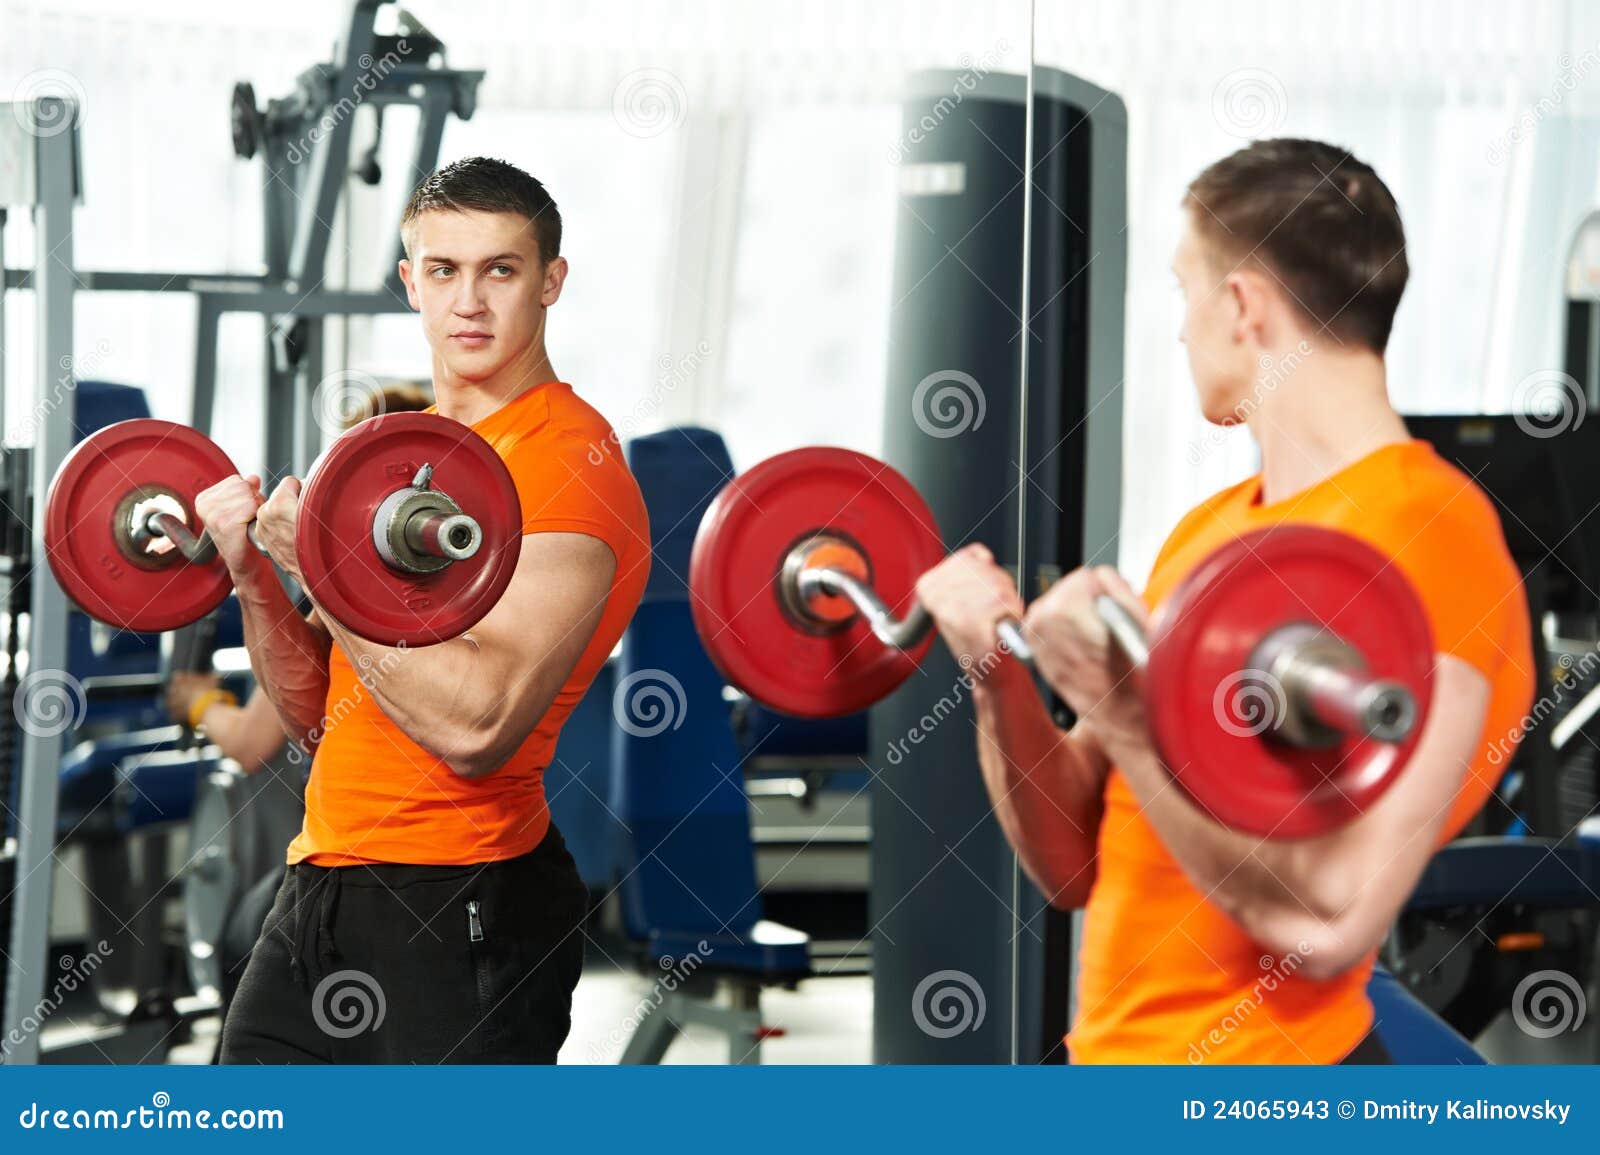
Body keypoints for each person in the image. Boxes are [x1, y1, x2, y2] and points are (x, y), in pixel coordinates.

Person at [915, 138, 1535, 1064]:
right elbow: (1072, 861)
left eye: (1186, 291)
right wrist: (995, 667)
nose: (1180, 330)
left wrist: (1124, 714)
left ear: (1242, 305)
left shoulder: (1428, 530)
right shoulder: (1210, 537)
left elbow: (1332, 916)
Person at [198, 157, 651, 1064]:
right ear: (411, 282)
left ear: (551, 281)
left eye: (501, 269)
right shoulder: (413, 465)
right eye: (443, 270)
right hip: (320, 887)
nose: (469, 302)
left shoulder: (568, 461)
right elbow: (313, 716)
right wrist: (253, 569)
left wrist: (320, 566)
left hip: (462, 901)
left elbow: (477, 723)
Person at [165, 381, 436, 771]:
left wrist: (198, 703)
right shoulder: (365, 580)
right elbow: (304, 714)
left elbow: (251, 743)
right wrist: (249, 571)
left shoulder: (340, 585)